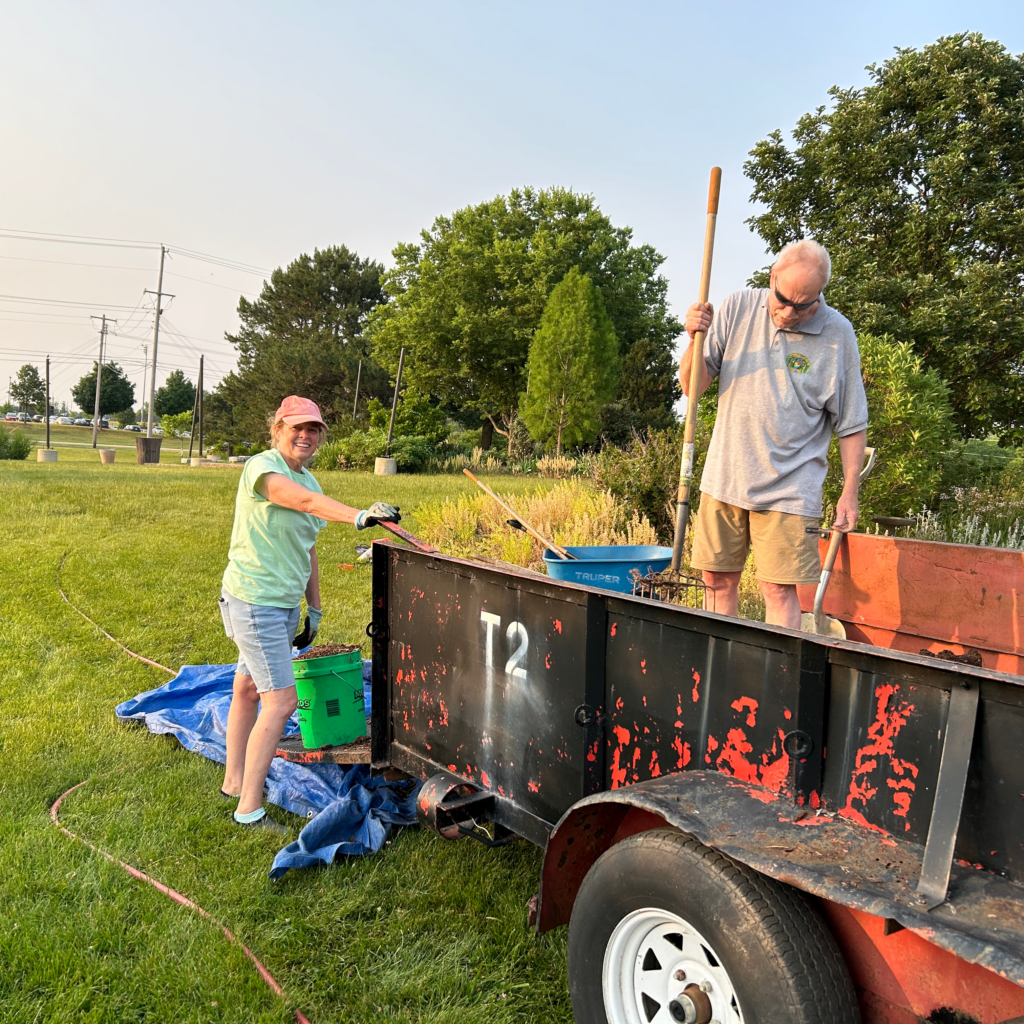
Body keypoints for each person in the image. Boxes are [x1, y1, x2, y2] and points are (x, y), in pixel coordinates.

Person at [218, 395, 401, 831]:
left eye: (313, 429)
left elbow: (309, 546)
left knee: (246, 690)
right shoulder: (262, 468)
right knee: (279, 702)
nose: (305, 436)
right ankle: (248, 809)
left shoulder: (312, 481)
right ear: (277, 428)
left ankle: (232, 781)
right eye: (296, 427)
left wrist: (314, 608)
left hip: (281, 604)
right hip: (254, 600)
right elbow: (298, 502)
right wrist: (358, 516)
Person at [679, 239, 868, 629]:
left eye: (804, 305)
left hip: (790, 487)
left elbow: (851, 421)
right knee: (716, 581)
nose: (789, 312)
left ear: (820, 295)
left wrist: (850, 490)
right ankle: (720, 667)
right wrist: (693, 338)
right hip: (725, 476)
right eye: (782, 300)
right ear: (772, 278)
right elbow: (692, 388)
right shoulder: (736, 308)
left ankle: (776, 682)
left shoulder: (838, 334)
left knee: (778, 590)